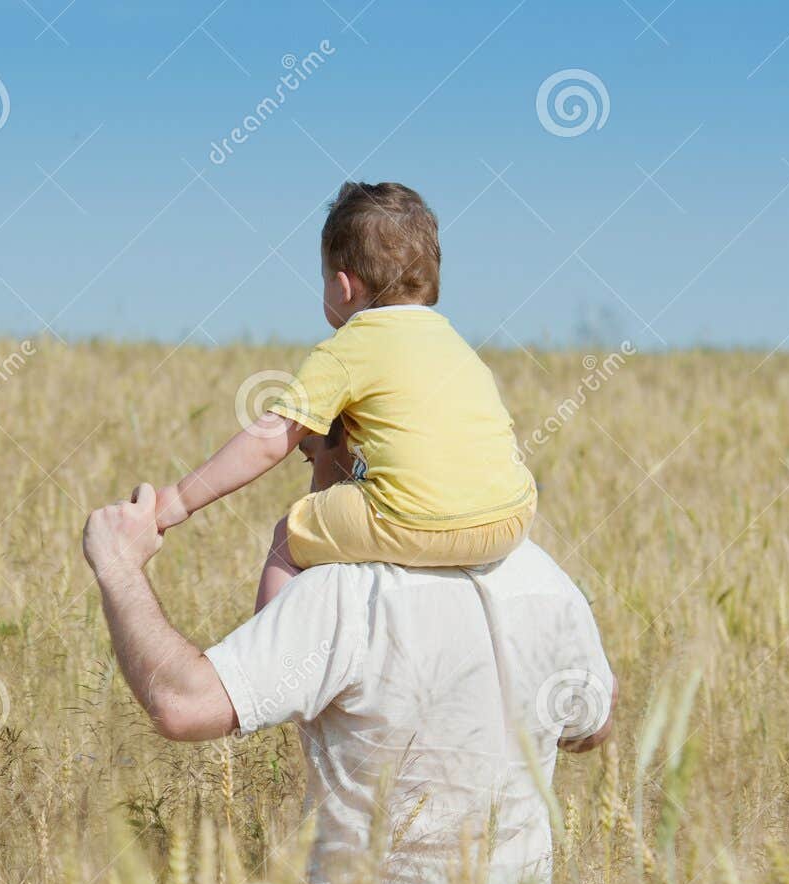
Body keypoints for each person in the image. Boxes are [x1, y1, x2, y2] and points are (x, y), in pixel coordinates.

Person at [83, 483, 614, 884]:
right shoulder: (547, 580)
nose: (313, 483)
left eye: (312, 454)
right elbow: (592, 728)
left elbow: (182, 702)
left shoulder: (346, 591)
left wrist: (119, 565)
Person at [152, 181, 537, 611]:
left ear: (342, 286)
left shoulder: (346, 349)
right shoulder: (457, 344)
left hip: (412, 520)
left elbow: (268, 442)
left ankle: (268, 657)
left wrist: (180, 500)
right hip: (510, 517)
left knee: (288, 536)